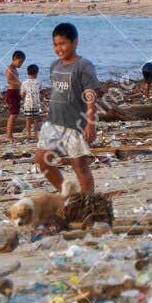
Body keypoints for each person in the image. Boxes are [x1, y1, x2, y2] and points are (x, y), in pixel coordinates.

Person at [34, 22, 98, 195]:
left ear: (75, 42)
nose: (59, 48)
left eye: (63, 43)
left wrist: (90, 123)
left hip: (76, 125)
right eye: (55, 44)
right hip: (53, 123)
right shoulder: (55, 65)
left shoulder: (84, 66)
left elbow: (91, 95)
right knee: (41, 159)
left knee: (80, 167)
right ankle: (67, 194)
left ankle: (88, 203)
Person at [4, 50, 26, 141]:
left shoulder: (15, 69)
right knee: (13, 114)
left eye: (22, 63)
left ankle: (10, 134)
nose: (21, 64)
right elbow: (9, 80)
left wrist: (21, 91)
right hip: (11, 92)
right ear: (14, 59)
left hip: (16, 92)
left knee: (16, 114)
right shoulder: (9, 69)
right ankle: (9, 135)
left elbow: (15, 80)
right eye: (20, 62)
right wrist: (21, 84)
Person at [20, 63, 42, 140]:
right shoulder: (38, 82)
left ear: (27, 72)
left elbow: (22, 95)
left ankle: (29, 135)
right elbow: (39, 90)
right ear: (36, 73)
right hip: (36, 104)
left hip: (27, 104)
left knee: (28, 120)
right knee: (36, 120)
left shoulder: (24, 83)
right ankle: (36, 135)